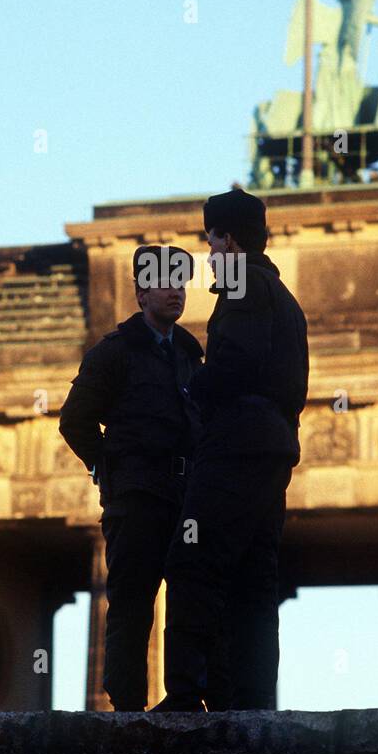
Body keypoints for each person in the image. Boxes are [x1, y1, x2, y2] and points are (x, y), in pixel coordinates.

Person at [152, 189, 309, 712]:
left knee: (192, 559)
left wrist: (193, 388)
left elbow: (236, 364)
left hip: (235, 445)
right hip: (275, 449)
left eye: (212, 240)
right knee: (254, 580)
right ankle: (253, 703)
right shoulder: (286, 300)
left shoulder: (240, 283)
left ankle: (185, 693)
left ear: (230, 239)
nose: (209, 253)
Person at [59, 244, 223, 711]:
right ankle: (128, 708)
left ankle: (184, 696)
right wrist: (107, 472)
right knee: (133, 599)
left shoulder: (191, 355)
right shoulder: (113, 354)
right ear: (141, 292)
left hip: (183, 496)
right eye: (165, 282)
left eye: (182, 282)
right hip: (136, 496)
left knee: (190, 595)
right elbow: (75, 421)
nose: (176, 292)